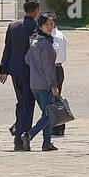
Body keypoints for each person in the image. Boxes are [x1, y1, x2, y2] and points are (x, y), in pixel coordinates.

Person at [0, 0, 40, 151]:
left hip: (15, 70)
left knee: (21, 102)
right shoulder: (36, 27)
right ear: (36, 10)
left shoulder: (13, 25)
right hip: (31, 71)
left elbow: (7, 48)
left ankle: (18, 135)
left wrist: (3, 70)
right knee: (28, 104)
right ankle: (21, 137)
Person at [24, 13, 61, 152]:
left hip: (34, 84)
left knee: (46, 114)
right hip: (45, 85)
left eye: (52, 23)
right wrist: (53, 86)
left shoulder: (35, 42)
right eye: (47, 24)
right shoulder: (45, 44)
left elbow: (27, 60)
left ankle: (47, 143)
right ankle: (29, 135)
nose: (50, 27)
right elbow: (48, 67)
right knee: (49, 115)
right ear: (40, 26)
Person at [48, 12, 69, 137]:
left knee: (53, 99)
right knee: (56, 98)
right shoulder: (61, 34)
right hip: (59, 69)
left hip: (53, 69)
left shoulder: (53, 37)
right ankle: (58, 126)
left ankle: (57, 126)